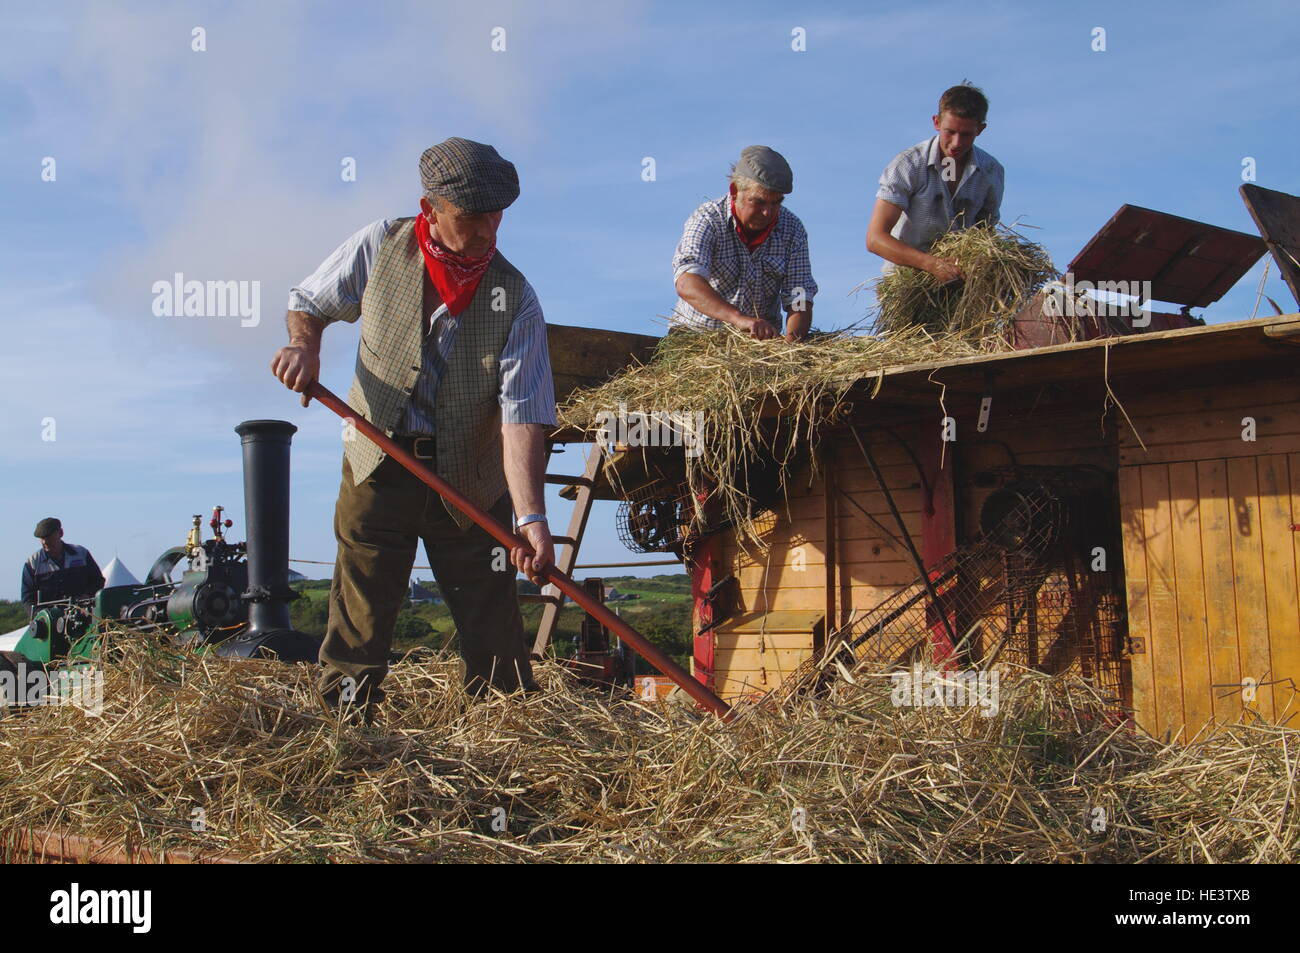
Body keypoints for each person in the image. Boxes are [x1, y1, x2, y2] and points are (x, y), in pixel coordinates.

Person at [271, 137, 555, 710]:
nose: (487, 231)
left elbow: (522, 414)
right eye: (471, 218)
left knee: (490, 609)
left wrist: (531, 517)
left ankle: (506, 731)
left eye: (496, 216)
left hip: (469, 474)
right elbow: (309, 301)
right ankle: (345, 729)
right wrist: (305, 348)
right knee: (362, 603)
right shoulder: (380, 245)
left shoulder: (516, 297)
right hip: (377, 462)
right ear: (431, 208)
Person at [670, 145, 816, 342]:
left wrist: (791, 345)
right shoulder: (708, 219)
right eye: (759, 202)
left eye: (776, 203)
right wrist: (739, 319)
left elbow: (799, 295)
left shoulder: (792, 229)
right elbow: (687, 282)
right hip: (696, 338)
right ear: (735, 190)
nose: (768, 213)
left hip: (758, 348)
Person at [866, 84, 1005, 283]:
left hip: (961, 283)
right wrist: (932, 265)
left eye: (966, 134)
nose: (956, 143)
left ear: (980, 129)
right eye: (950, 132)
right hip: (906, 282)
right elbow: (875, 239)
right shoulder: (908, 164)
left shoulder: (991, 172)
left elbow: (985, 235)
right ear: (936, 122)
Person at [21, 518, 105, 616]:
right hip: (50, 621)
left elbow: (98, 581)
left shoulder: (81, 554)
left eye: (48, 536)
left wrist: (87, 595)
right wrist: (41, 616)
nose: (44, 542)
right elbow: (28, 599)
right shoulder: (32, 563)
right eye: (41, 538)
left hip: (82, 615)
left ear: (60, 533)